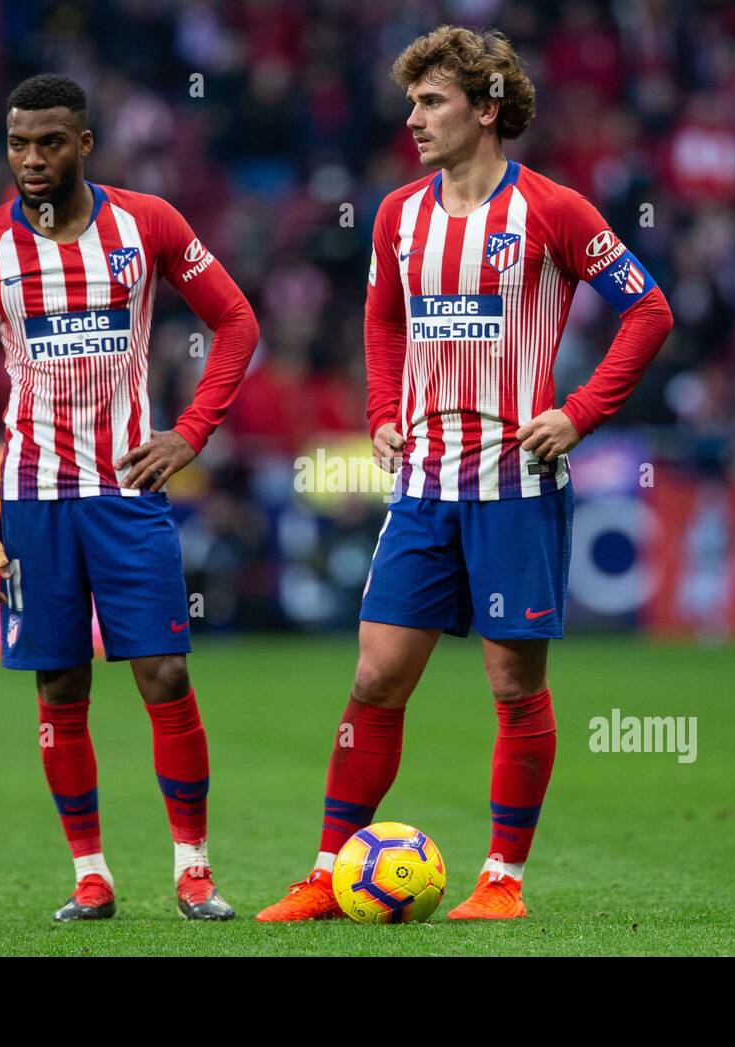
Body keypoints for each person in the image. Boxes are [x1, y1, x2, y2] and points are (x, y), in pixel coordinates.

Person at [256, 26, 673, 922]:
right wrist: (380, 412)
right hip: (424, 486)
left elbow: (649, 311)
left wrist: (578, 412)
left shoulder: (555, 211)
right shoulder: (397, 216)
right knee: (374, 676)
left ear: (486, 110)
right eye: (411, 102)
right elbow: (380, 321)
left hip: (516, 484)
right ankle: (329, 874)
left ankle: (503, 882)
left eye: (432, 101)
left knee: (515, 687)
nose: (413, 119)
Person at [0, 74, 259, 921]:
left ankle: (193, 869)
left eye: (49, 142)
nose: (32, 159)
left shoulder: (148, 224)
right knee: (58, 687)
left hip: (127, 493)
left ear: (84, 144)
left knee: (162, 673)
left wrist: (190, 432)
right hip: (35, 504)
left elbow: (237, 322)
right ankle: (91, 873)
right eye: (18, 144)